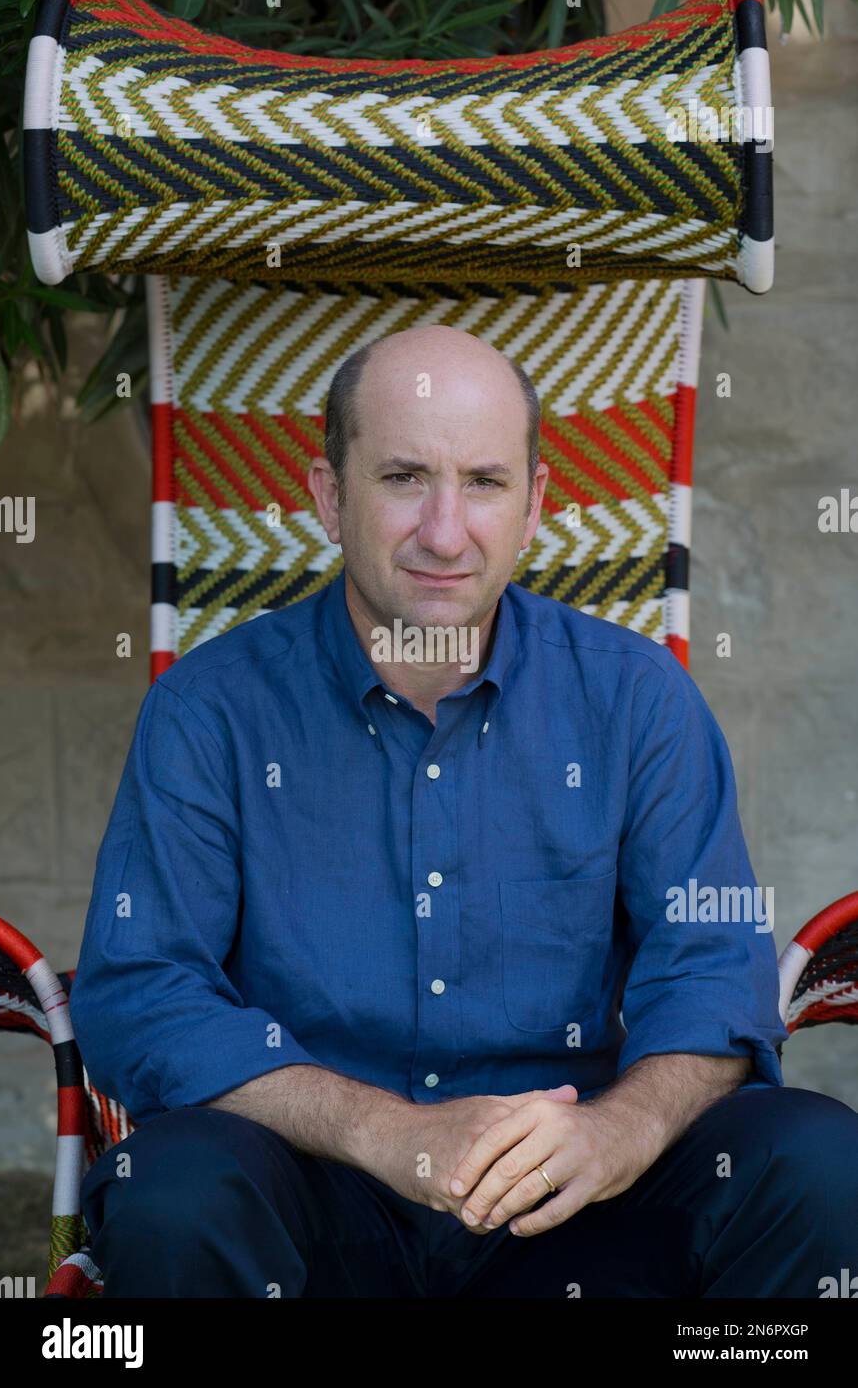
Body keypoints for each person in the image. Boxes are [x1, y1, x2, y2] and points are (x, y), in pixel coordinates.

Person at [71, 325, 858, 1298]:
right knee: (171, 1188)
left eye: (482, 482)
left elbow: (711, 968)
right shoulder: (210, 711)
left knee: (817, 1160)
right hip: (313, 1198)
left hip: (571, 1205)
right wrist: (384, 1131)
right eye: (404, 476)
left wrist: (617, 1130)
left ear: (533, 507)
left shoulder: (634, 698)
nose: (445, 531)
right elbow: (140, 991)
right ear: (328, 496)